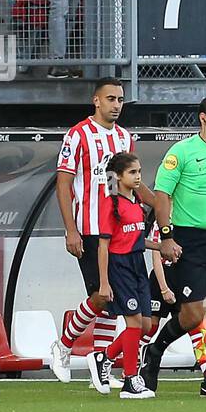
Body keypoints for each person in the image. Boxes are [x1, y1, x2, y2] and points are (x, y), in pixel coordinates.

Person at [49, 79, 167, 385]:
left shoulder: (125, 138)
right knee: (100, 297)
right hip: (88, 228)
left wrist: (159, 205)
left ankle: (99, 368)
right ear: (96, 101)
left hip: (117, 231)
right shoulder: (78, 135)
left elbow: (125, 186)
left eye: (121, 99)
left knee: (113, 302)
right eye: (111, 98)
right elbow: (63, 183)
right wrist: (70, 230)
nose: (116, 104)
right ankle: (63, 346)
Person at [139, 94, 206, 396]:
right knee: (193, 315)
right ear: (204, 118)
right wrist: (167, 235)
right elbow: (162, 195)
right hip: (187, 240)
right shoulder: (182, 152)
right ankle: (154, 352)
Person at [94, 151, 156, 399]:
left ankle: (105, 357)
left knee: (144, 325)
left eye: (139, 171)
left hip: (138, 263)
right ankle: (131, 380)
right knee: (132, 322)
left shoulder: (136, 203)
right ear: (118, 177)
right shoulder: (111, 204)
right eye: (132, 172)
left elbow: (136, 238)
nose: (138, 176)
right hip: (119, 267)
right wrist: (104, 282)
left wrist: (159, 246)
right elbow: (103, 246)